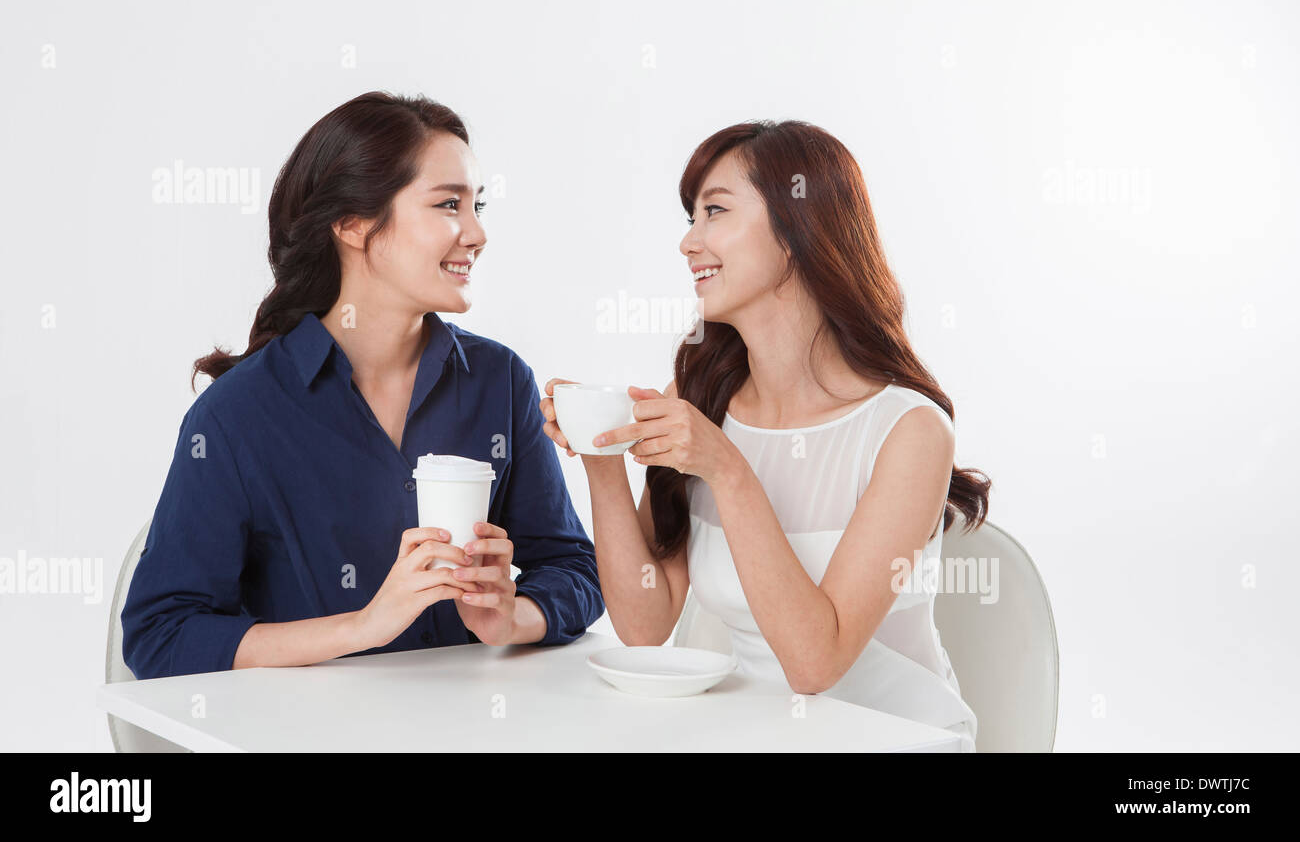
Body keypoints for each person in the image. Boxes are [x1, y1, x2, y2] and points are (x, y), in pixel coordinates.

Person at [540, 120, 991, 751]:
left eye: (714, 212)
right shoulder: (703, 401)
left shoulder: (908, 430)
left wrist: (727, 471)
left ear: (795, 232)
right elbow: (646, 624)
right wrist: (601, 457)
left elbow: (815, 665)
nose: (687, 243)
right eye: (690, 217)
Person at [122, 91, 603, 680]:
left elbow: (573, 569)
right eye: (449, 204)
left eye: (479, 205)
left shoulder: (500, 383)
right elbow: (161, 635)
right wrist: (365, 626)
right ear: (351, 223)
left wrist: (512, 615)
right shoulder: (237, 416)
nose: (477, 233)